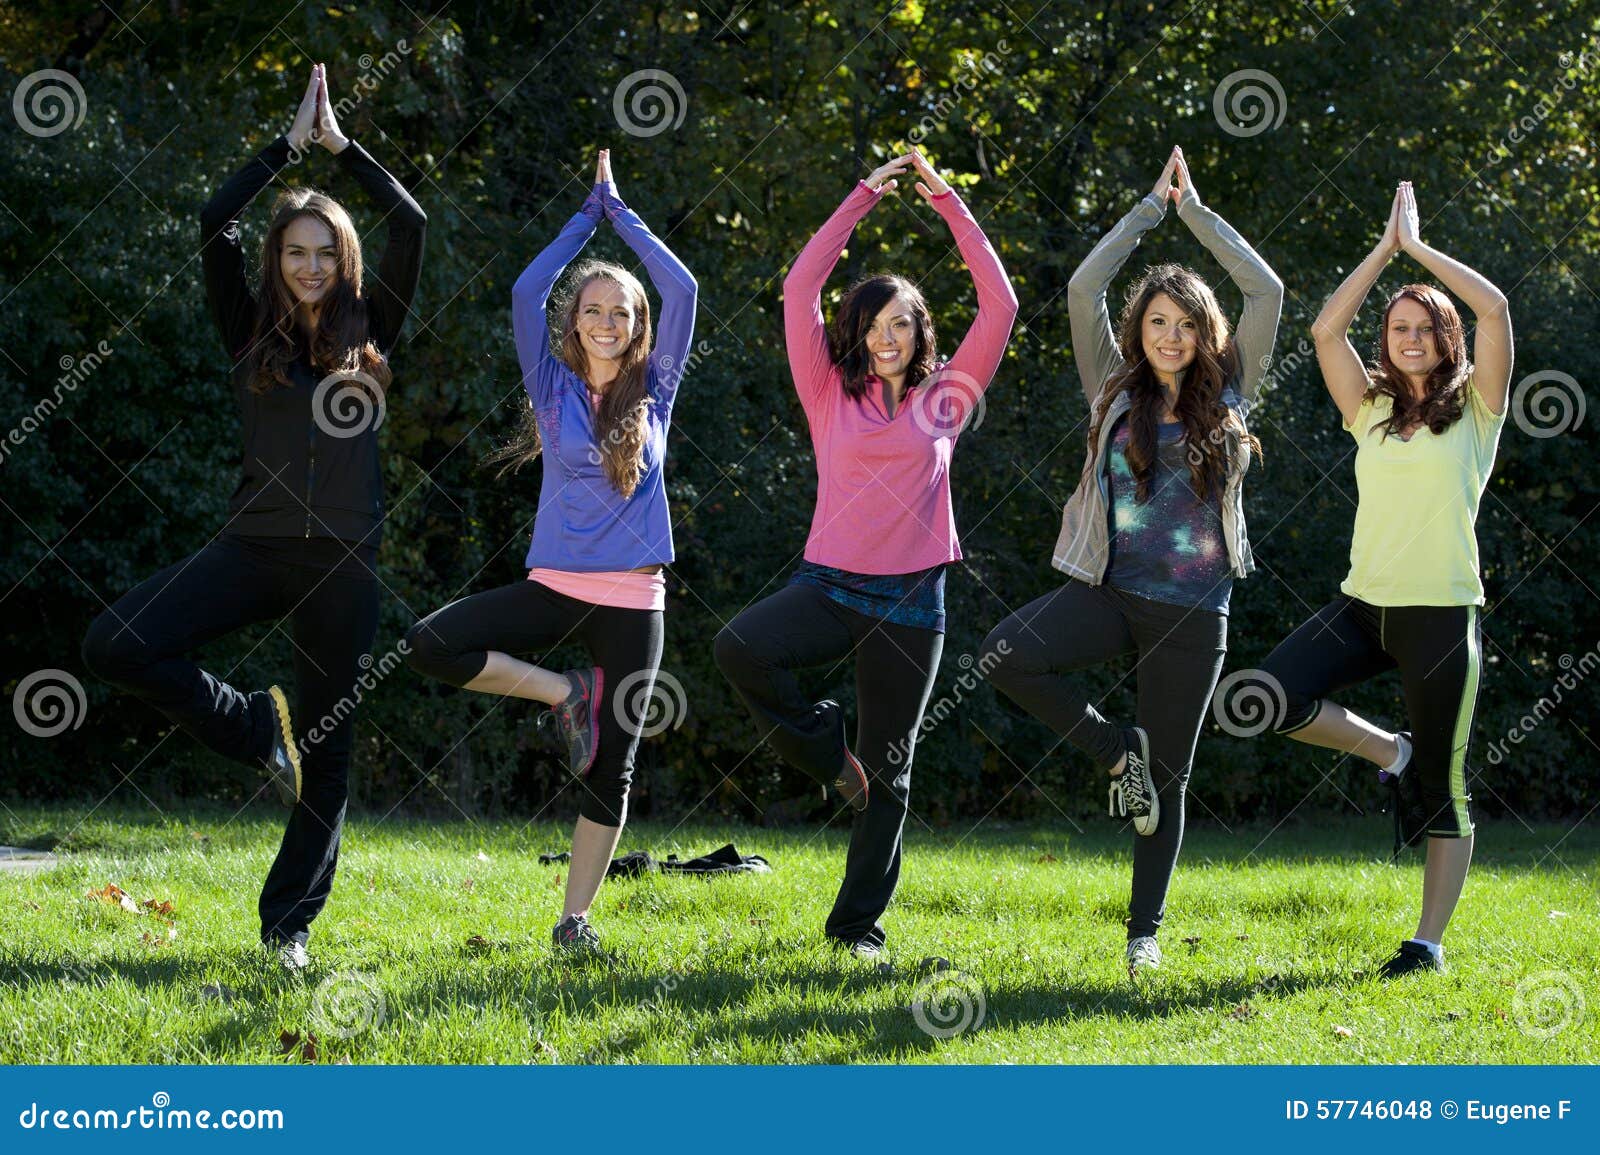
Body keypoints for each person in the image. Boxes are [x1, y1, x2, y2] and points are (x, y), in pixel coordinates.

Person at [80, 65, 426, 969]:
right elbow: (212, 222)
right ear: (275, 259)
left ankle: (288, 930)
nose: (308, 266)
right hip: (254, 544)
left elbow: (412, 223)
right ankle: (249, 727)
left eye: (324, 251)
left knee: (331, 753)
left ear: (342, 259)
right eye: (294, 251)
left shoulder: (373, 324)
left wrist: (342, 151)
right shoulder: (245, 328)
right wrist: (286, 144)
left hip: (344, 561)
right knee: (114, 642)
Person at [984, 146, 1282, 980]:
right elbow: (1084, 288)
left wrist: (1196, 217)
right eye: (1158, 321)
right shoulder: (1110, 392)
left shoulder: (1232, 392)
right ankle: (1119, 752)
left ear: (1205, 332)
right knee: (1004, 653)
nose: (1172, 336)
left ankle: (1142, 933)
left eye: (1186, 324)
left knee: (1175, 779)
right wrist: (1147, 214)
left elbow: (1269, 291)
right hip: (1113, 593)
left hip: (1195, 613)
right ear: (1138, 329)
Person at [714, 149, 1018, 958]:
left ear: (921, 332)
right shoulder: (826, 390)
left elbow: (1002, 301)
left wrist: (948, 200)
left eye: (903, 323)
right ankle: (826, 749)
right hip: (830, 586)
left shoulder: (945, 397)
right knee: (738, 646)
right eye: (874, 323)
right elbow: (797, 288)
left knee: (894, 772)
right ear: (855, 330)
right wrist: (861, 198)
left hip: (914, 601)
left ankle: (856, 927)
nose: (887, 337)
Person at [403, 149, 696, 956]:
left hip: (636, 597)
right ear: (575, 323)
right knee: (429, 642)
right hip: (558, 582)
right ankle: (561, 691)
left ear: (639, 327)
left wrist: (624, 215)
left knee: (616, 764)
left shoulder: (659, 384)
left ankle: (574, 922)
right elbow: (527, 289)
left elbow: (685, 290)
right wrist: (586, 218)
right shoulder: (552, 384)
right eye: (594, 310)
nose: (607, 322)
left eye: (622, 313)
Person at [1254, 180, 1513, 978]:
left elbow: (1496, 308)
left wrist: (1422, 250)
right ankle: (1388, 752)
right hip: (1363, 606)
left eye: (1423, 327)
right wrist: (1384, 251)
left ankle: (1426, 941)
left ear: (1445, 339)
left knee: (1447, 784)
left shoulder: (1478, 409)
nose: (1408, 338)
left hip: (1441, 614)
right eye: (1398, 327)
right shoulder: (1366, 409)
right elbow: (1325, 327)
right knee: (1267, 695)